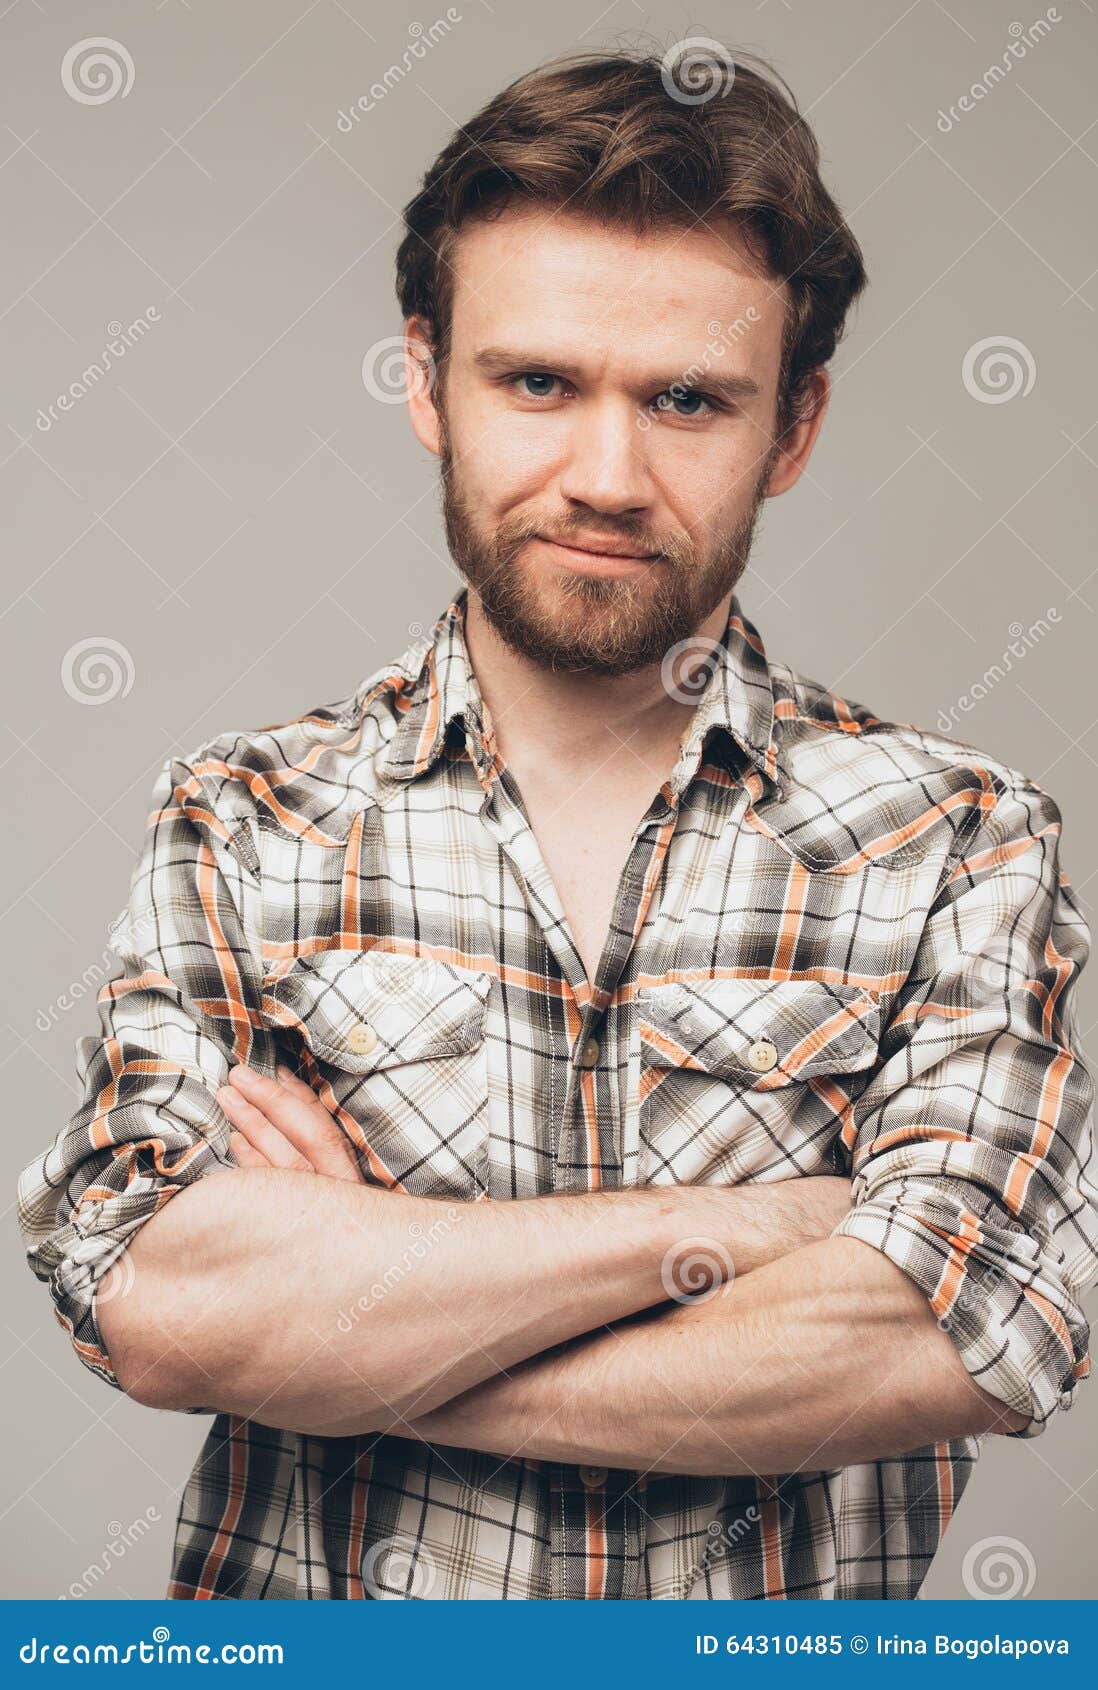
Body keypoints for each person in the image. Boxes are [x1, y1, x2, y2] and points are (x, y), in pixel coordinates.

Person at [18, 44, 1097, 1602]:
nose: (605, 472)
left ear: (789, 430)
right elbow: (156, 1303)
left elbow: (962, 1325)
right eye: (536, 381)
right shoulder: (243, 821)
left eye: (685, 401)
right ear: (422, 379)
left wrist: (354, 1337)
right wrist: (761, 1227)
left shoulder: (962, 844)